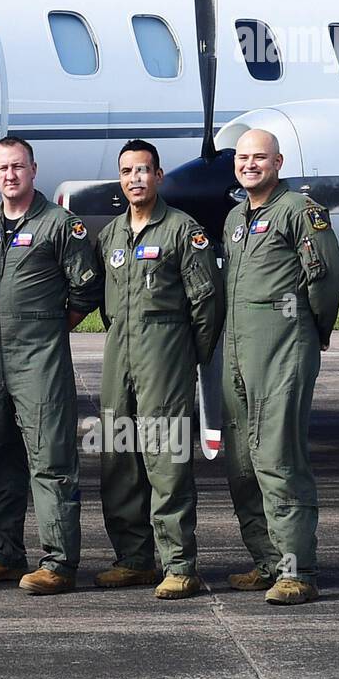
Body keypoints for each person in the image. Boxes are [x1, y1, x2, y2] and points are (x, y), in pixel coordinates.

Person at [0, 136, 102, 595]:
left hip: (40, 362)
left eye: (18, 167)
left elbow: (85, 289)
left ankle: (59, 561)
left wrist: (47, 327)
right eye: (2, 168)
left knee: (50, 462)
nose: (10, 175)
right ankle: (5, 554)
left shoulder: (60, 225)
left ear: (33, 170)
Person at [222, 128, 339, 605]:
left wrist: (310, 332)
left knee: (278, 458)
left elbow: (329, 274)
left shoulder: (299, 211)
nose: (249, 164)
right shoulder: (237, 216)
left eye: (259, 157)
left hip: (282, 347)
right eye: (242, 157)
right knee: (241, 462)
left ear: (277, 162)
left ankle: (298, 571)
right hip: (237, 351)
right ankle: (268, 563)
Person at [94, 139, 224, 599]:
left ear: (159, 175)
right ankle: (133, 558)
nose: (135, 179)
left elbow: (207, 304)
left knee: (165, 457)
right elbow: (110, 308)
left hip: (165, 352)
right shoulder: (110, 236)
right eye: (127, 171)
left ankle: (179, 563)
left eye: (144, 170)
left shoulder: (182, 232)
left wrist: (188, 355)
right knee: (118, 455)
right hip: (120, 354)